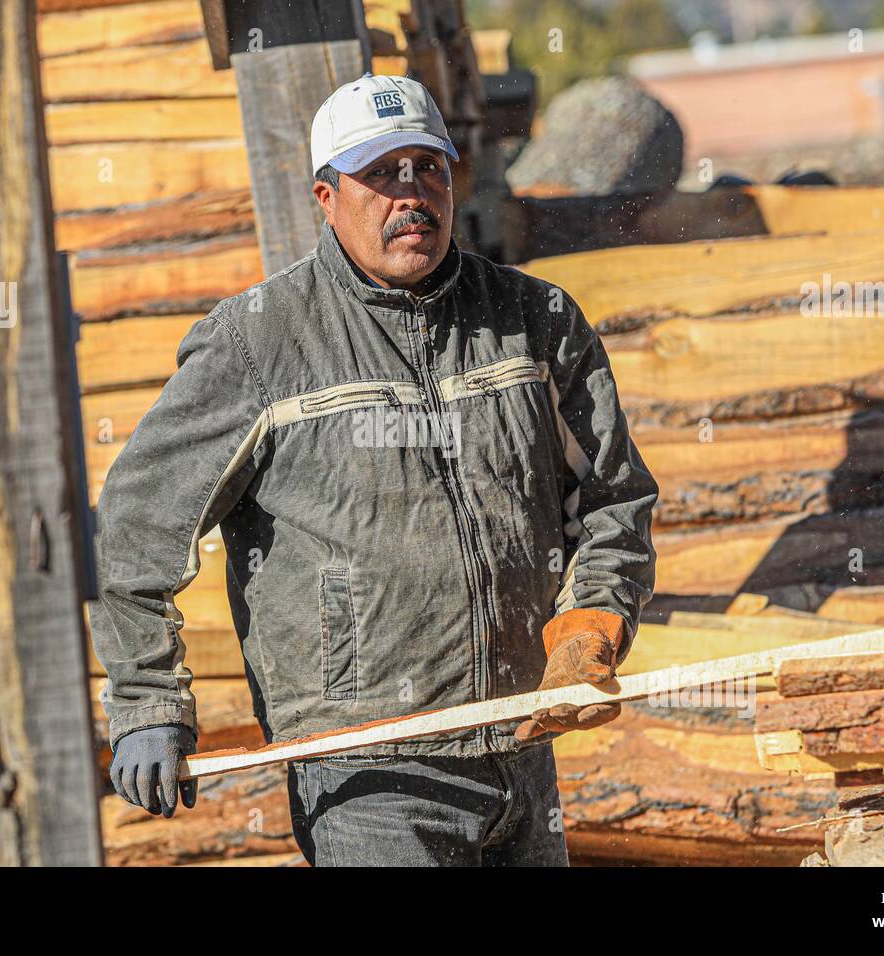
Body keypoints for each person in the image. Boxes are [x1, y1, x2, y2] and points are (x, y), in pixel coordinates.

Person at [91, 72, 658, 866]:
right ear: (326, 198)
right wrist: (148, 702)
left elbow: (614, 503)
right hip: (367, 778)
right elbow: (133, 524)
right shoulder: (257, 345)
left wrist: (592, 626)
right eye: (380, 174)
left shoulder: (536, 321)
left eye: (427, 168)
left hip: (523, 749)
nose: (410, 194)